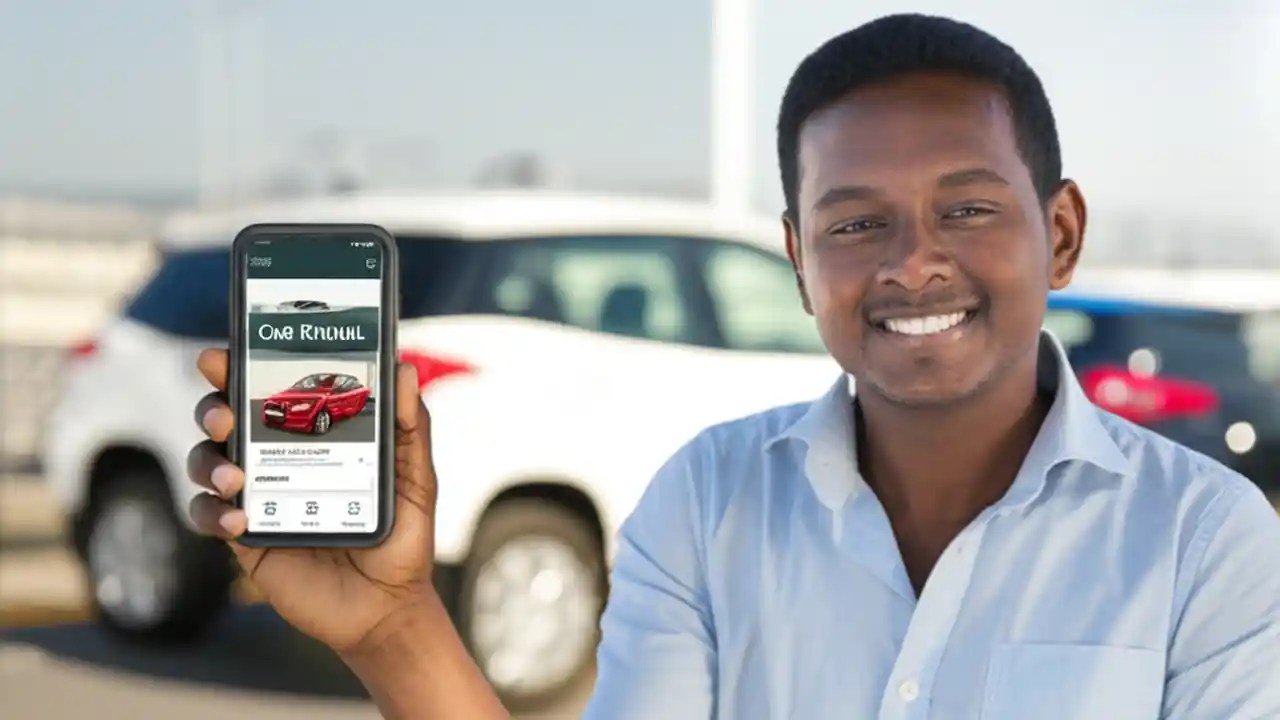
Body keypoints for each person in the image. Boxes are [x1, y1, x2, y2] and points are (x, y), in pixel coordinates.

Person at [186, 13, 1280, 719]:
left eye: (966, 208)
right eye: (854, 225)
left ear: (1062, 232)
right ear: (799, 261)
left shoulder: (1206, 543)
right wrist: (395, 625)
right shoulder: (705, 504)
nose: (911, 262)